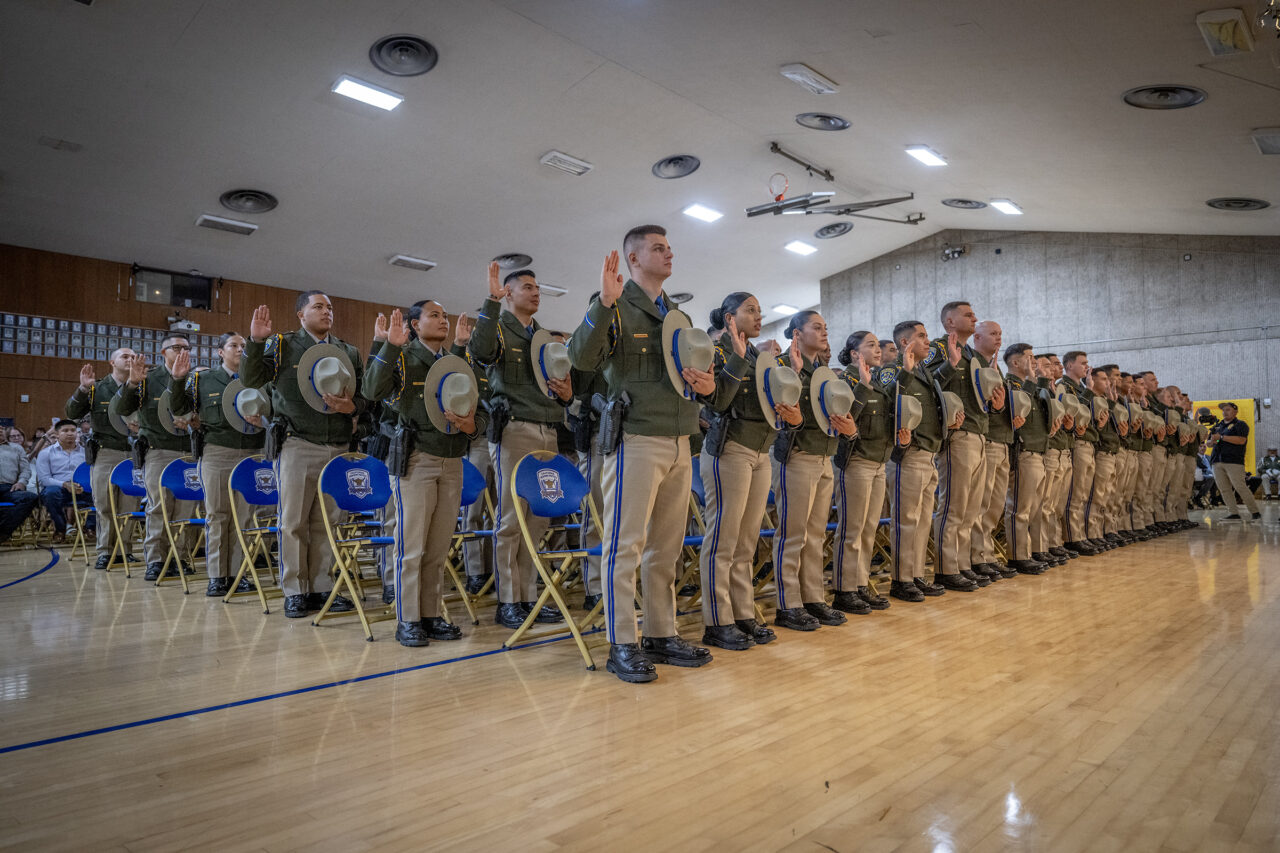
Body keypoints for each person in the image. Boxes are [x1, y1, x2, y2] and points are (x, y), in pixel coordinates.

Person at [568, 224, 740, 683]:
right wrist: (603, 303)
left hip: (681, 440)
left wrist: (706, 386)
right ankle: (622, 642)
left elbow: (695, 377)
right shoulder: (615, 305)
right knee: (625, 547)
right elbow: (582, 360)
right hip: (637, 440)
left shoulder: (677, 316)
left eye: (669, 248)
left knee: (665, 550)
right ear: (633, 259)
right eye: (658, 249)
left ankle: (661, 633)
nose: (669, 254)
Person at [364, 301, 484, 646]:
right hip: (416, 459)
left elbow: (483, 406)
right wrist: (390, 345)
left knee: (437, 547)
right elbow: (371, 391)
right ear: (415, 324)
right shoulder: (402, 356)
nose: (443, 321)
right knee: (411, 546)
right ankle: (408, 619)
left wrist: (473, 424)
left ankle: (431, 614)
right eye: (434, 316)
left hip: (452, 459)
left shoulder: (457, 361)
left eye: (445, 316)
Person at [243, 291, 367, 618]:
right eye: (318, 307)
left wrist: (353, 406)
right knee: (293, 521)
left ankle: (322, 586)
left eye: (330, 308)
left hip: (338, 444)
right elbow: (251, 379)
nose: (327, 312)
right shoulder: (283, 345)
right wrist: (256, 342)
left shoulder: (348, 351)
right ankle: (295, 590)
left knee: (327, 522)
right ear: (301, 314)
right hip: (298, 443)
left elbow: (366, 397)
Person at [469, 264, 573, 629]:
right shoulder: (498, 326)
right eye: (527, 287)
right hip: (514, 429)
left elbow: (560, 386)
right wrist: (490, 303)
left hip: (548, 429)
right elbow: (480, 351)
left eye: (537, 288)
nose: (535, 292)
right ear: (509, 293)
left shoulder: (544, 336)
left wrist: (568, 394)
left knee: (539, 518)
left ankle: (530, 595)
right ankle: (509, 600)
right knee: (512, 519)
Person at [697, 292, 793, 647]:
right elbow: (717, 402)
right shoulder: (716, 350)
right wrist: (737, 359)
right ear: (729, 318)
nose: (758, 315)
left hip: (760, 450)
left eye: (759, 310)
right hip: (729, 450)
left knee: (745, 542)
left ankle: (742, 614)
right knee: (722, 539)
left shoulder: (758, 356)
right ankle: (716, 621)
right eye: (750, 310)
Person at [769, 310, 856, 631]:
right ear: (796, 334)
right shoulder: (782, 367)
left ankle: (813, 597)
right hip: (795, 455)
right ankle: (787, 603)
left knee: (816, 535)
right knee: (792, 535)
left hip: (824, 454)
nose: (824, 333)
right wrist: (793, 373)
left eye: (825, 328)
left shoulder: (823, 372)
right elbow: (779, 415)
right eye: (816, 328)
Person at [169, 333, 266, 596]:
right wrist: (178, 380)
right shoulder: (203, 379)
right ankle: (216, 576)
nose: (239, 349)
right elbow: (179, 409)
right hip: (217, 452)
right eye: (233, 345)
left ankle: (237, 573)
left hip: (251, 451)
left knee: (243, 517)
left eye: (244, 346)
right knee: (217, 515)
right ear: (220, 352)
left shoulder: (258, 379)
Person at [117, 333, 201, 580]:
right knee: (158, 507)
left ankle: (180, 557)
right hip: (158, 450)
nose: (182, 351)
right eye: (176, 347)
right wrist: (132, 384)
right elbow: (123, 410)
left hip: (188, 451)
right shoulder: (147, 377)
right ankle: (156, 559)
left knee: (185, 508)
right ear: (163, 352)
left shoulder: (196, 379)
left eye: (186, 347)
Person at [831, 331, 902, 613]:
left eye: (877, 345)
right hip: (856, 461)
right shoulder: (844, 381)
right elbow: (845, 417)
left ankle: (859, 584)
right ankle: (843, 589)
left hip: (878, 461)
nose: (877, 350)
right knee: (852, 528)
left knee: (868, 529)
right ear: (854, 354)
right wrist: (862, 384)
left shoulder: (877, 381)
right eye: (870, 346)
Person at [885, 320, 953, 602]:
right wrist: (906, 371)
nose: (928, 341)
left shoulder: (924, 370)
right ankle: (901, 579)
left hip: (928, 452)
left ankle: (914, 575)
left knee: (923, 519)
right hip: (908, 454)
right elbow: (889, 400)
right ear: (905, 343)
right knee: (906, 520)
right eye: (922, 336)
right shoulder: (893, 370)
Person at [927, 301, 990, 591]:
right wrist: (948, 364)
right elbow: (927, 386)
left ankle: (963, 563)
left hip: (977, 432)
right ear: (950, 321)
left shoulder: (971, 353)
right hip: (957, 435)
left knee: (970, 508)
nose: (974, 317)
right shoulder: (939, 348)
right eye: (968, 314)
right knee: (953, 506)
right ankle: (946, 569)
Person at [66, 348, 139, 568]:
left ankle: (124, 550)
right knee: (105, 505)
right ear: (112, 362)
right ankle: (106, 551)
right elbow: (72, 413)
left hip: (134, 452)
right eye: (125, 356)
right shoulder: (98, 387)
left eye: (133, 357)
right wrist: (82, 389)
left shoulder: (141, 385)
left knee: (129, 505)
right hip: (106, 451)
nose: (130, 359)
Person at [969, 320, 1016, 580]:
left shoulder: (994, 368)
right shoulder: (972, 364)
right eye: (993, 333)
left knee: (995, 504)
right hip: (985, 440)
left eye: (1000, 333)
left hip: (1001, 439)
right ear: (976, 337)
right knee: (981, 503)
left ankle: (986, 554)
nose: (999, 337)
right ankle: (977, 557)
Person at [1003, 343, 1052, 573]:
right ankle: (1018, 556)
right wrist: (1034, 381)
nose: (1034, 361)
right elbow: (1017, 408)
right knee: (1020, 509)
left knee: (1034, 508)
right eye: (1029, 357)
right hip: (1023, 452)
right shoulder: (1011, 386)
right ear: (1015, 362)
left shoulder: (1029, 386)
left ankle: (1033, 551)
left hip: (1038, 450)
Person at [1058, 351, 1103, 555]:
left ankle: (1081, 534)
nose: (1087, 367)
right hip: (1076, 443)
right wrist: (1089, 391)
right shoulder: (1064, 386)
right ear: (1069, 365)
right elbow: (1075, 411)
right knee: (1075, 494)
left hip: (1088, 442)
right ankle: (1072, 537)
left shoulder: (1081, 387)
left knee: (1083, 493)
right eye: (1082, 363)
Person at [34, 419, 87, 543]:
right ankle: (60, 528)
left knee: (100, 491)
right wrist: (64, 484)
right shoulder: (46, 453)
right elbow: (44, 479)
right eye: (65, 431)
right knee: (50, 493)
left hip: (81, 489)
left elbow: (91, 475)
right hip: (59, 490)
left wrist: (82, 485)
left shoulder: (85, 453)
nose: (70, 433)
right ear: (57, 434)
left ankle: (90, 528)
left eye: (73, 430)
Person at [1208, 402, 1260, 520]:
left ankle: (1255, 511)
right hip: (1217, 461)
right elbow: (1210, 443)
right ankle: (1233, 513)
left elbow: (1241, 440)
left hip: (1233, 461)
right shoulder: (1217, 426)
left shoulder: (1240, 425)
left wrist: (1221, 437)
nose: (1225, 412)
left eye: (1228, 410)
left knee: (1240, 487)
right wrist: (1212, 442)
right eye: (1223, 410)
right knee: (1224, 489)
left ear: (1235, 412)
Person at [0, 428, 39, 545]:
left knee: (30, 498)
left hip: (9, 488)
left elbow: (25, 470)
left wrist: (21, 482)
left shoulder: (16, 448)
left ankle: (3, 532)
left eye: (1, 429)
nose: (0, 431)